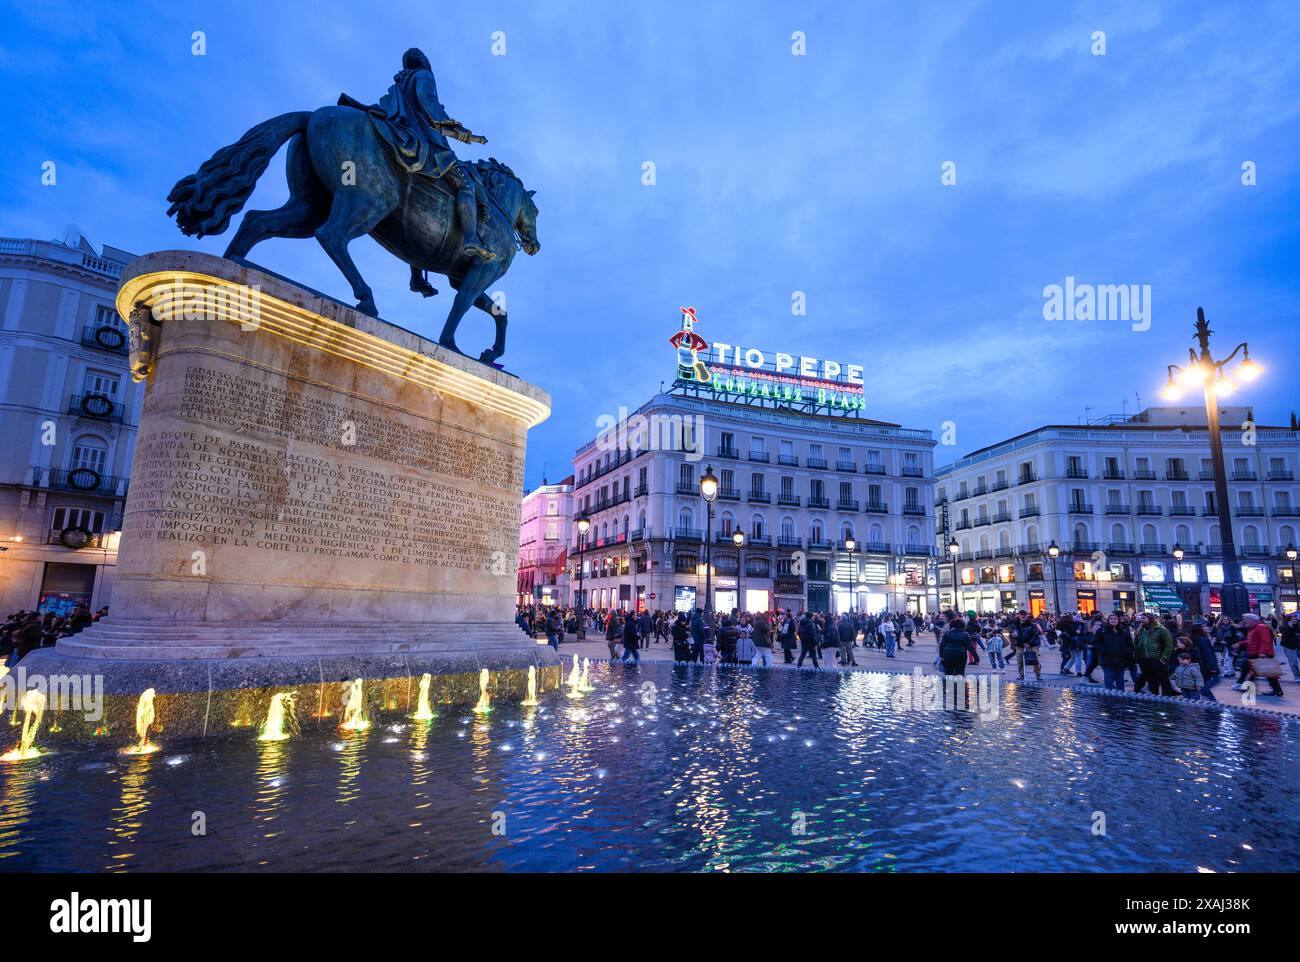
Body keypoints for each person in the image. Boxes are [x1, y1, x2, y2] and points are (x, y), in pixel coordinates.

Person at [350, 47, 495, 262]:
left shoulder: (400, 84)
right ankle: (471, 237)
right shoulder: (424, 76)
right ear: (425, 62)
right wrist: (456, 127)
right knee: (466, 184)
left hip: (408, 132)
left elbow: (430, 119)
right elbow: (431, 109)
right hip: (427, 143)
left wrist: (465, 136)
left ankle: (417, 275)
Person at [1238, 613, 1285, 696]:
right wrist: (1240, 643)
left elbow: (1265, 640)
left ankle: (1277, 690)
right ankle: (1251, 688)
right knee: (1253, 671)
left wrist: (1262, 653)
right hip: (1254, 654)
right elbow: (1251, 641)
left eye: (1245, 619)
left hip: (1260, 654)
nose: (1244, 621)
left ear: (1251, 620)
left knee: (1268, 673)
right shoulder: (1253, 628)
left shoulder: (1260, 627)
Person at [1132, 612, 1175, 696]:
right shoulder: (1140, 630)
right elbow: (1136, 644)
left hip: (1157, 659)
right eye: (1141, 618)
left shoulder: (1161, 630)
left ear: (1150, 619)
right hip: (1144, 659)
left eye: (1144, 618)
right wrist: (1137, 656)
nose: (1142, 620)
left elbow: (1168, 644)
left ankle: (1167, 697)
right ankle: (1154, 696)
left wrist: (1163, 658)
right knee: (1151, 680)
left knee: (1163, 680)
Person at [1095, 613, 1134, 692]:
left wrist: (1126, 653)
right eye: (1111, 619)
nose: (1113, 620)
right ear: (1108, 620)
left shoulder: (1123, 631)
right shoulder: (1102, 630)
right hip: (1107, 658)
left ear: (1118, 620)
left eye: (1115, 619)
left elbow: (1129, 644)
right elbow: (1096, 643)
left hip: (1121, 659)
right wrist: (1104, 650)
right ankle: (1108, 694)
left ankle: (1121, 694)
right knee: (1108, 677)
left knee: (1120, 678)